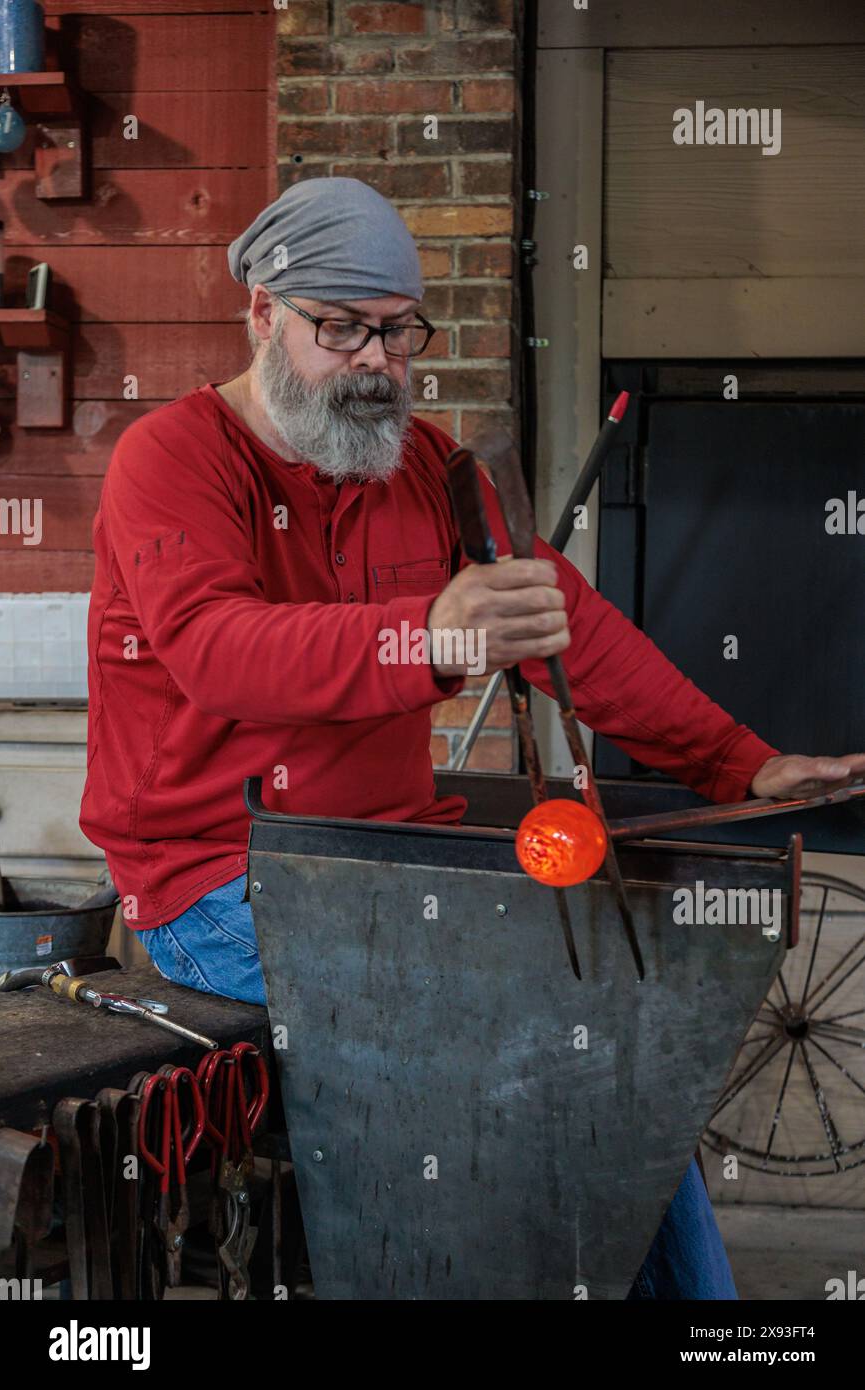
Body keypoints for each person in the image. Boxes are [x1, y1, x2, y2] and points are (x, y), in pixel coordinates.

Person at [80, 177, 865, 1299]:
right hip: (221, 876)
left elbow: (565, 630)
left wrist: (742, 761)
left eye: (399, 331)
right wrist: (426, 637)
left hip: (397, 860)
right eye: (340, 328)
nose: (376, 362)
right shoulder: (175, 458)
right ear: (262, 313)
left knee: (619, 1060)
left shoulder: (426, 468)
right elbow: (218, 649)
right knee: (522, 1074)